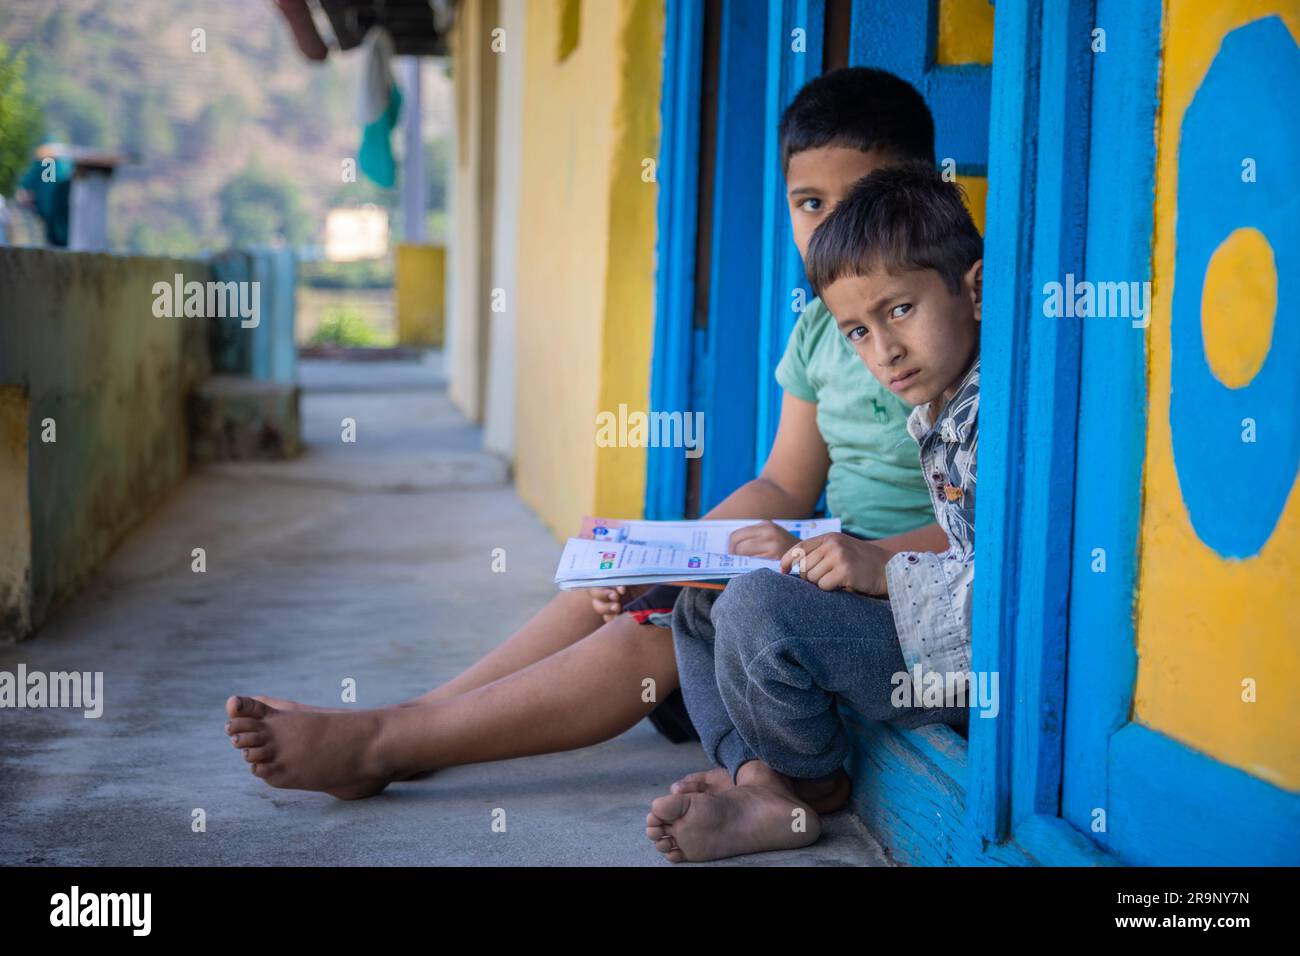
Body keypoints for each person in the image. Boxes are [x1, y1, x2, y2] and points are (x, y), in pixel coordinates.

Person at [223, 68, 949, 801]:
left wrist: (868, 556)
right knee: (615, 585)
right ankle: (412, 718)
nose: (831, 230)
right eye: (810, 204)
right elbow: (783, 482)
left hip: (890, 584)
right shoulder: (823, 331)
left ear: (916, 196)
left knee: (653, 625)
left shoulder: (942, 334)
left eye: (856, 203)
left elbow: (987, 532)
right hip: (815, 557)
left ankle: (386, 745)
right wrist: (667, 555)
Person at [646, 162, 983, 862]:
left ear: (973, 290)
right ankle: (759, 778)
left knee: (759, 613)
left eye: (900, 310)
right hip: (925, 626)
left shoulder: (998, 414)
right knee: (700, 605)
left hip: (964, 659)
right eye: (857, 331)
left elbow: (1010, 593)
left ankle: (810, 784)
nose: (884, 350)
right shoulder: (938, 408)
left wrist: (886, 569)